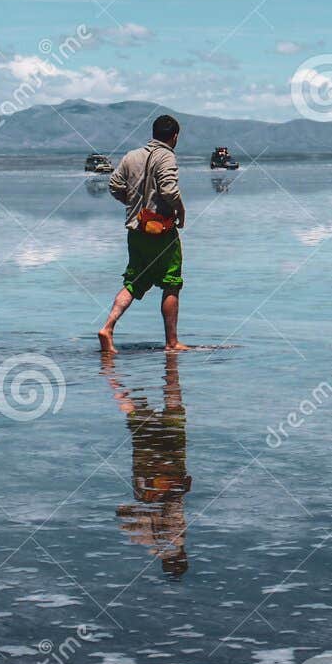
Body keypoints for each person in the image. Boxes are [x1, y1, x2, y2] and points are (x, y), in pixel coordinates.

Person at [99, 114, 189, 354]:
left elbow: (114, 185)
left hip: (136, 230)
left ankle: (107, 327)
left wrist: (134, 206)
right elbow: (169, 190)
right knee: (171, 283)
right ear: (175, 137)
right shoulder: (166, 156)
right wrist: (180, 210)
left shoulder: (132, 156)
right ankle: (172, 343)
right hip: (160, 232)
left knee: (134, 282)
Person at [105, 352, 191, 578]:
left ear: (180, 557)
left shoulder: (172, 538)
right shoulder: (144, 539)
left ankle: (170, 361)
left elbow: (172, 499)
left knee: (173, 400)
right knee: (134, 415)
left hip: (169, 466)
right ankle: (108, 369)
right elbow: (122, 514)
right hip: (147, 474)